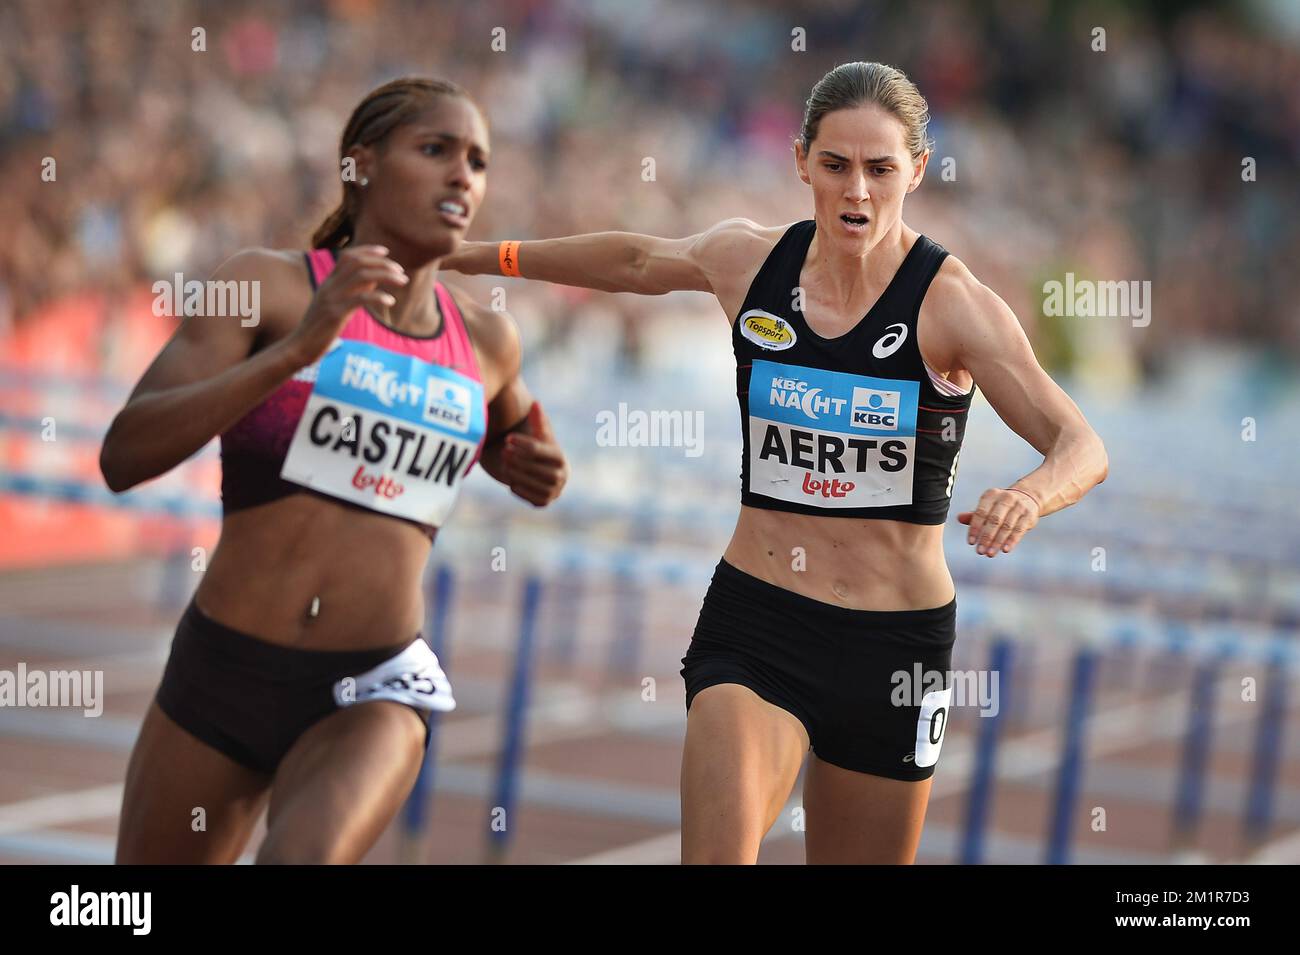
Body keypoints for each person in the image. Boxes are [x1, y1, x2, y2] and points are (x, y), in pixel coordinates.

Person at [443, 61, 1108, 864]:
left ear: (918, 171)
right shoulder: (749, 263)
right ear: (801, 162)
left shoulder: (952, 305)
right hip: (757, 623)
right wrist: (478, 257)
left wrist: (1032, 497)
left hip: (894, 650)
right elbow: (634, 263)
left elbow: (1081, 445)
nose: (856, 191)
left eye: (880, 169)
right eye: (835, 166)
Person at [102, 77, 569, 864]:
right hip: (222, 670)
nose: (464, 176)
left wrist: (530, 465)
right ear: (360, 168)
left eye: (478, 161)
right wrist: (294, 353)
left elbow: (512, 436)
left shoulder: (489, 341)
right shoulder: (270, 286)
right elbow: (125, 453)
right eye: (436, 150)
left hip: (371, 686)